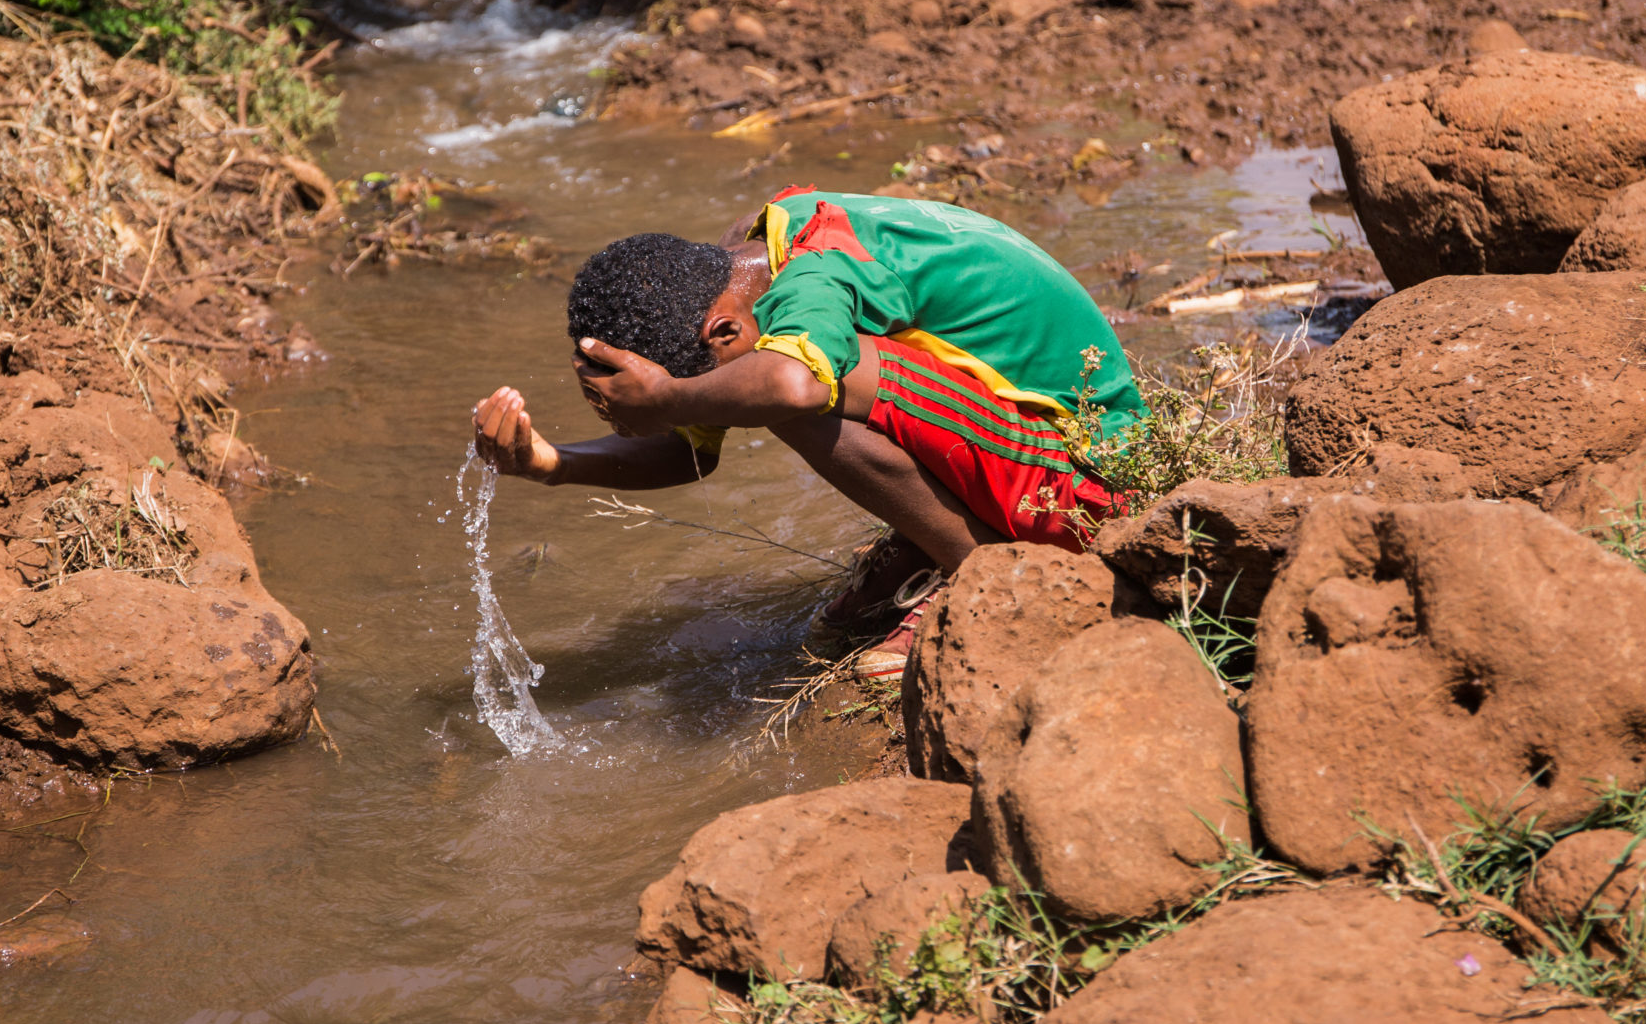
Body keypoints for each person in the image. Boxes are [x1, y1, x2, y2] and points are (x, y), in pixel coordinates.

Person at [471, 186, 1146, 681]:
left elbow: (793, 387)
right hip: (1023, 442)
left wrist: (668, 395)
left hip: (1089, 486)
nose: (683, 404)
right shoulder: (758, 254)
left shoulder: (813, 274)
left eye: (682, 383)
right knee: (783, 372)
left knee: (797, 384)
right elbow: (689, 452)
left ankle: (980, 570)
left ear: (722, 332)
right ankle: (932, 539)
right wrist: (550, 462)